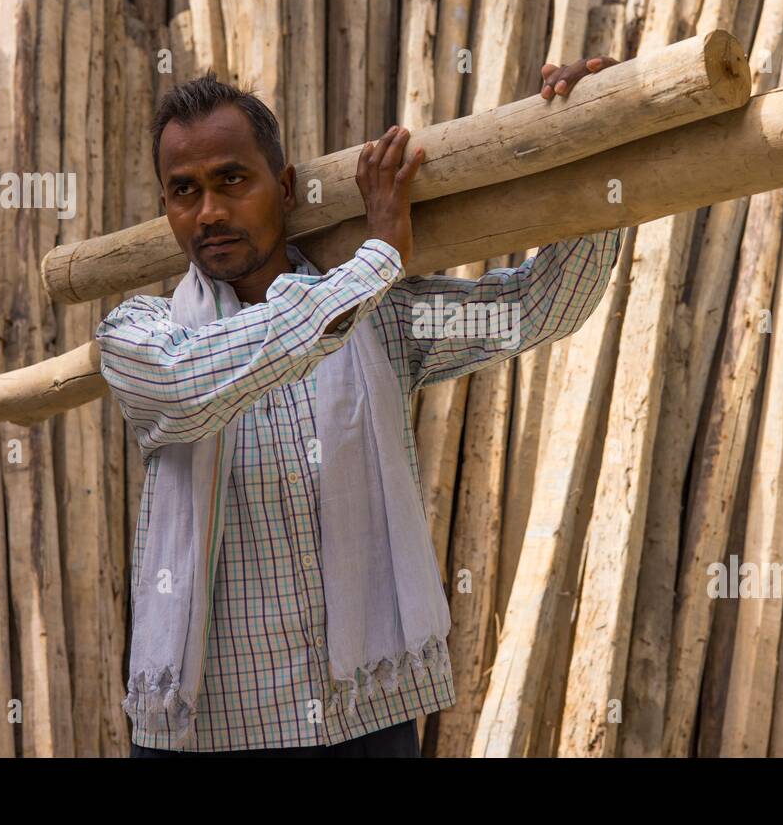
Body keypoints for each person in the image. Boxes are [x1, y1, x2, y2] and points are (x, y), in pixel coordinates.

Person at [96, 56, 624, 758]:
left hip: (362, 721)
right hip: (209, 730)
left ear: (282, 188)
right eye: (183, 190)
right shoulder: (141, 335)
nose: (210, 211)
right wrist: (377, 260)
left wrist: (600, 135)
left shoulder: (381, 319)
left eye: (231, 179)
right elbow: (196, 382)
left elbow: (539, 309)